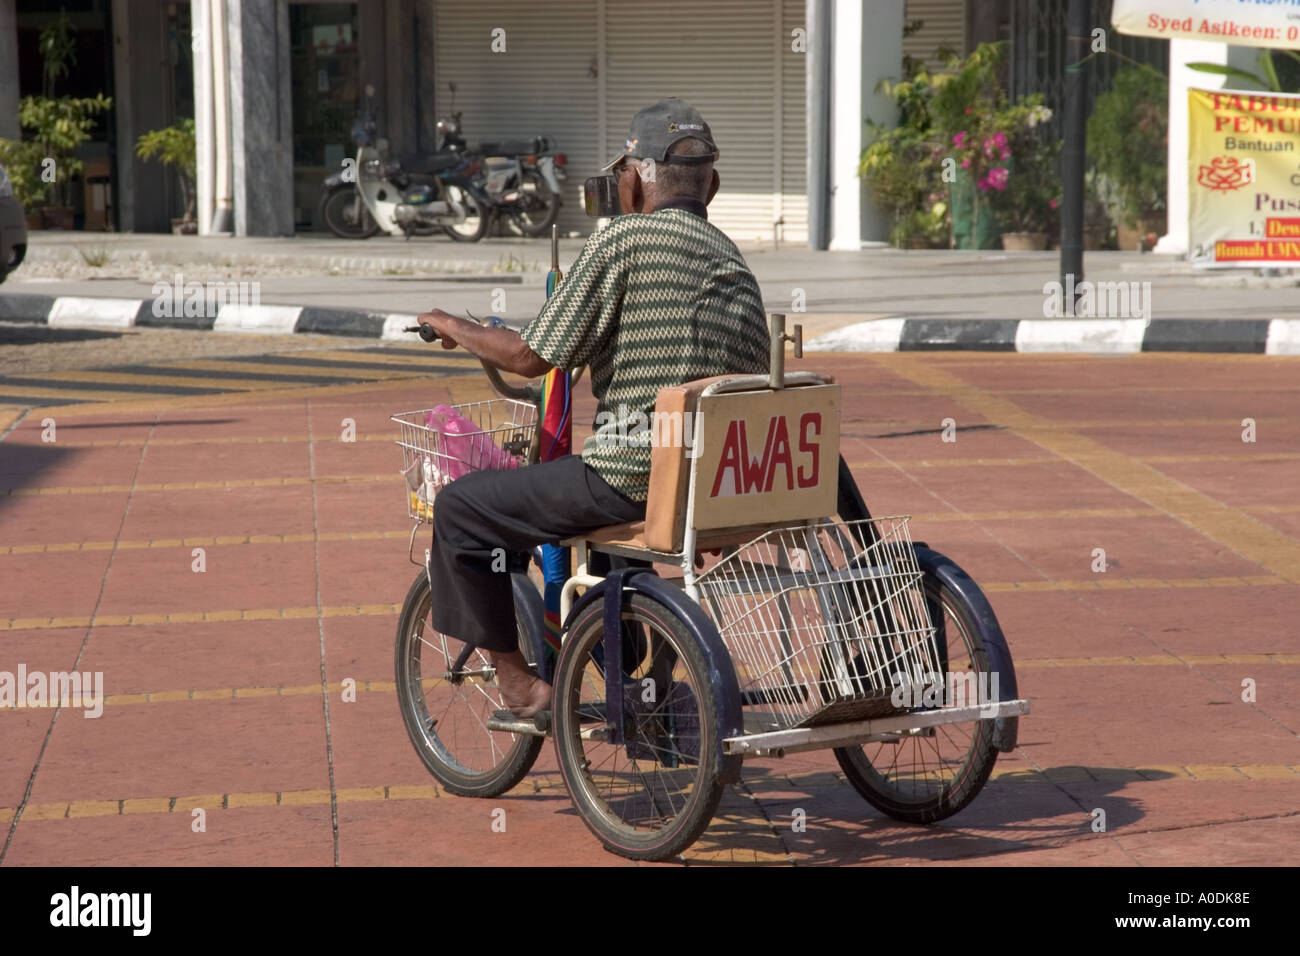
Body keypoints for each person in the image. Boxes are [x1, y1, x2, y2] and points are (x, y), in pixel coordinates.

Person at [416, 98, 768, 718]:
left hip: (631, 476)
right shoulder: (731, 258)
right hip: (713, 483)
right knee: (588, 531)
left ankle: (521, 684)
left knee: (461, 509)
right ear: (710, 184)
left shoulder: (625, 242)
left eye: (624, 172)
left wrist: (451, 324)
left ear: (633, 178)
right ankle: (643, 672)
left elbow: (529, 358)